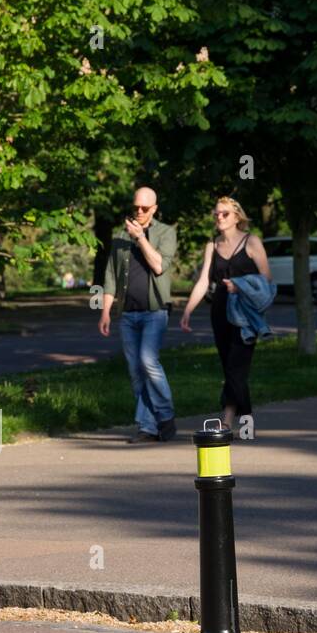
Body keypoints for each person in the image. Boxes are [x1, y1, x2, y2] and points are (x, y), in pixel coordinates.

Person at [180, 196, 272, 430]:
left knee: (236, 366)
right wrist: (188, 310)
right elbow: (203, 281)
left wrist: (240, 284)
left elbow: (267, 280)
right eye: (216, 214)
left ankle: (226, 421)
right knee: (230, 367)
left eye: (225, 214)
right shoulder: (213, 244)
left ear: (237, 217)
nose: (219, 217)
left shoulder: (252, 242)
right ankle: (246, 423)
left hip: (246, 313)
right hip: (220, 310)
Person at [97, 187, 179, 443]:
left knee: (148, 361)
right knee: (135, 370)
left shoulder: (166, 232)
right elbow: (110, 275)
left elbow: (158, 266)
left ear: (154, 208)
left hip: (155, 312)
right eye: (136, 208)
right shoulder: (121, 236)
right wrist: (105, 311)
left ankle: (165, 416)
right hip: (129, 314)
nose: (140, 212)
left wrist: (141, 238)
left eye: (145, 208)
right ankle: (148, 427)